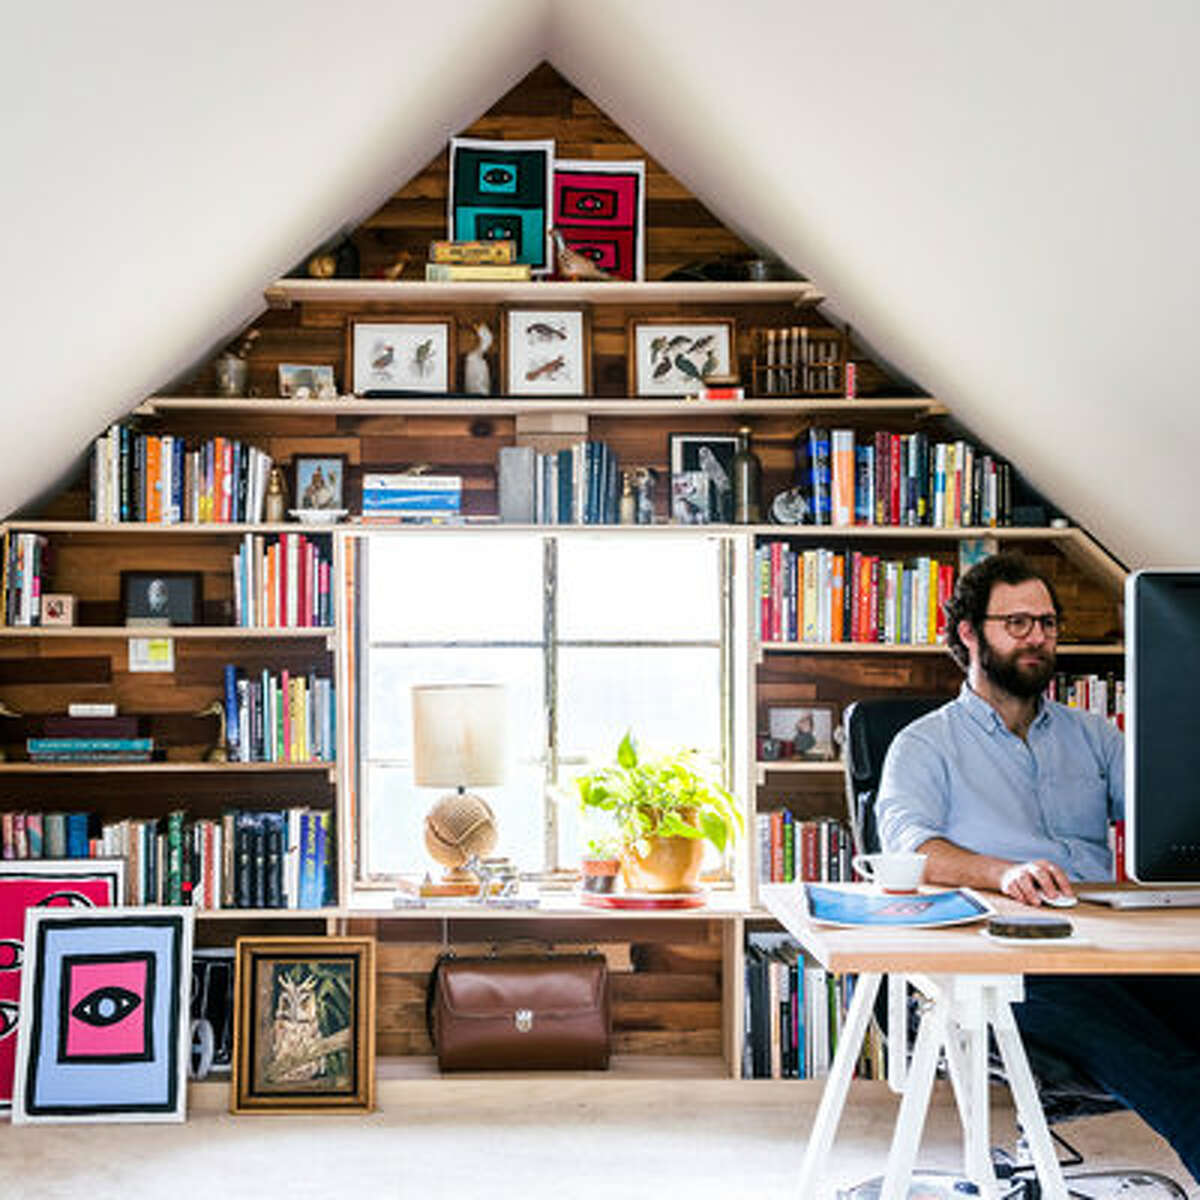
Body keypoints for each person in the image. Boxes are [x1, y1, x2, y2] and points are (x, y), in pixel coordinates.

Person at [876, 551, 1200, 1183]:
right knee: (1174, 1071)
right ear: (970, 633)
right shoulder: (925, 744)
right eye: (1017, 623)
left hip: (1115, 946)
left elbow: (1166, 814)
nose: (1038, 639)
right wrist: (1003, 873)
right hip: (1015, 966)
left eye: (1047, 624)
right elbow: (910, 847)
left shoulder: (1096, 736)